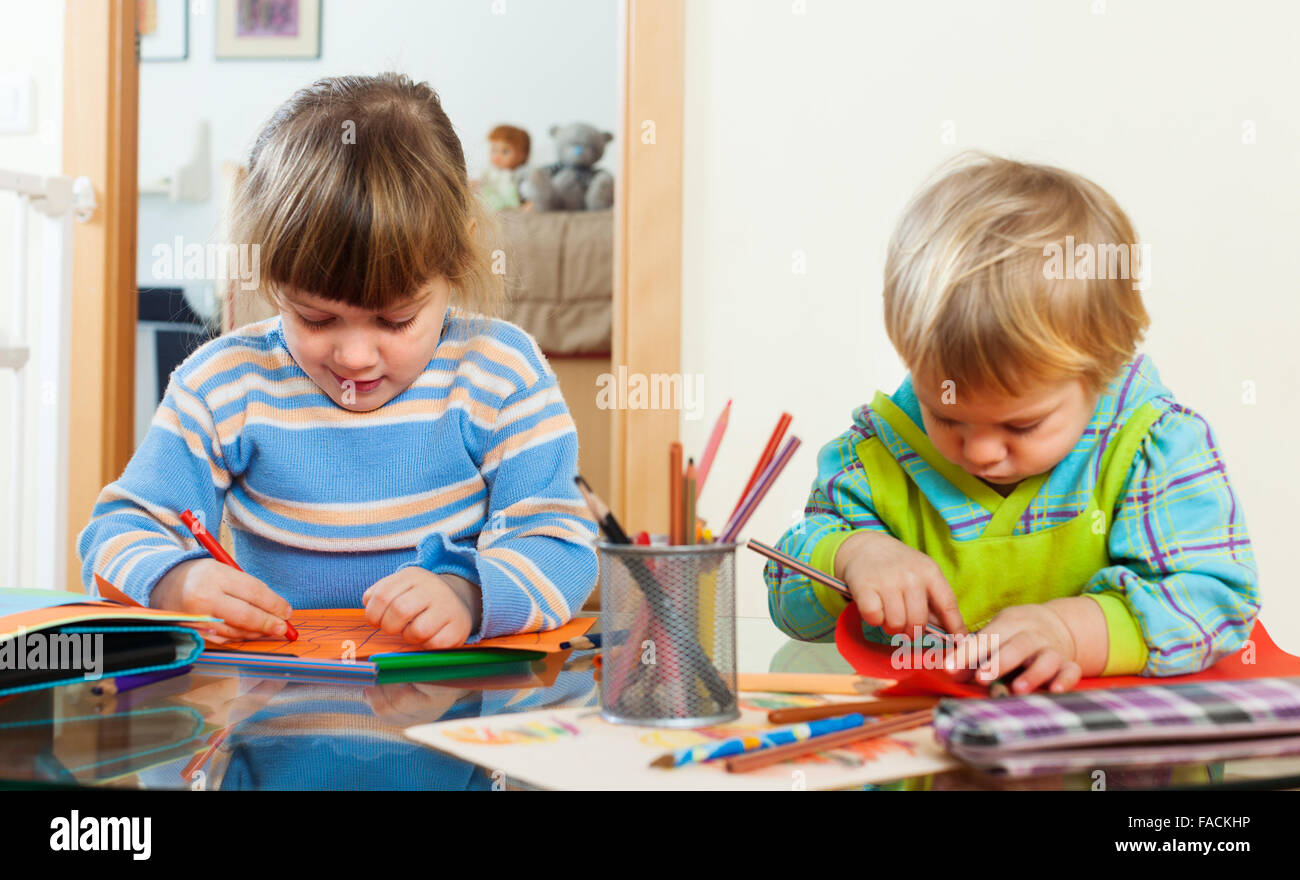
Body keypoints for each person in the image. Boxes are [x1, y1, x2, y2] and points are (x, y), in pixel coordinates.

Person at [78, 73, 597, 649]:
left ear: (456, 258)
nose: (354, 357)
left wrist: (469, 595)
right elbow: (114, 535)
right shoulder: (225, 384)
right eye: (316, 318)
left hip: (452, 719)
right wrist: (178, 580)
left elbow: (562, 549)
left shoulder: (499, 373)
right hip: (274, 714)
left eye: (396, 320)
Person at [766, 153, 1258, 694]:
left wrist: (1070, 632)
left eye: (1021, 426)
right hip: (918, 753)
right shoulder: (873, 458)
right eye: (946, 414)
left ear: (1100, 370)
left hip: (1109, 759)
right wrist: (852, 553)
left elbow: (1216, 599)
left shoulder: (1149, 446)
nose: (979, 452)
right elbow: (788, 601)